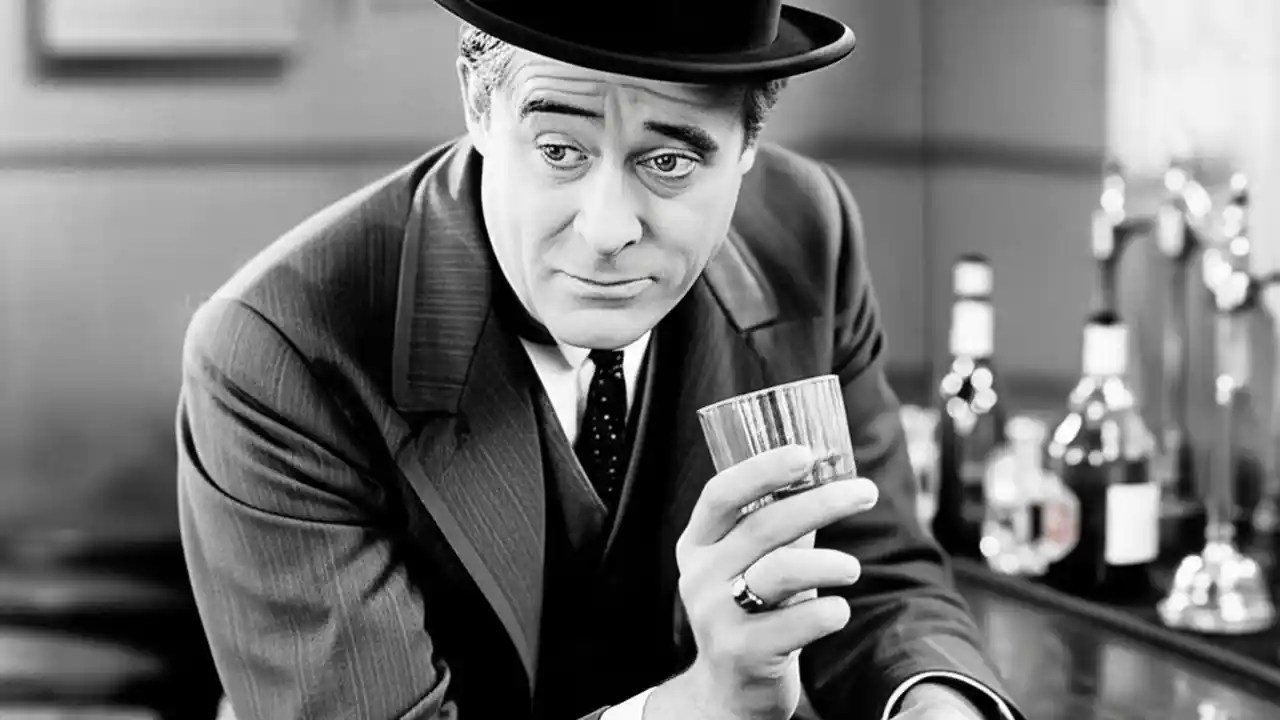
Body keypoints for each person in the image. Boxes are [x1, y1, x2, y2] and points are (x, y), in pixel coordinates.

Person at [177, 1, 1026, 718]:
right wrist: (706, 704)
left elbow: (877, 573)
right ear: (478, 103)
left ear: (748, 146)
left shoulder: (807, 234)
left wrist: (936, 705)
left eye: (667, 161)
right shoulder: (276, 352)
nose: (607, 227)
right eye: (559, 150)